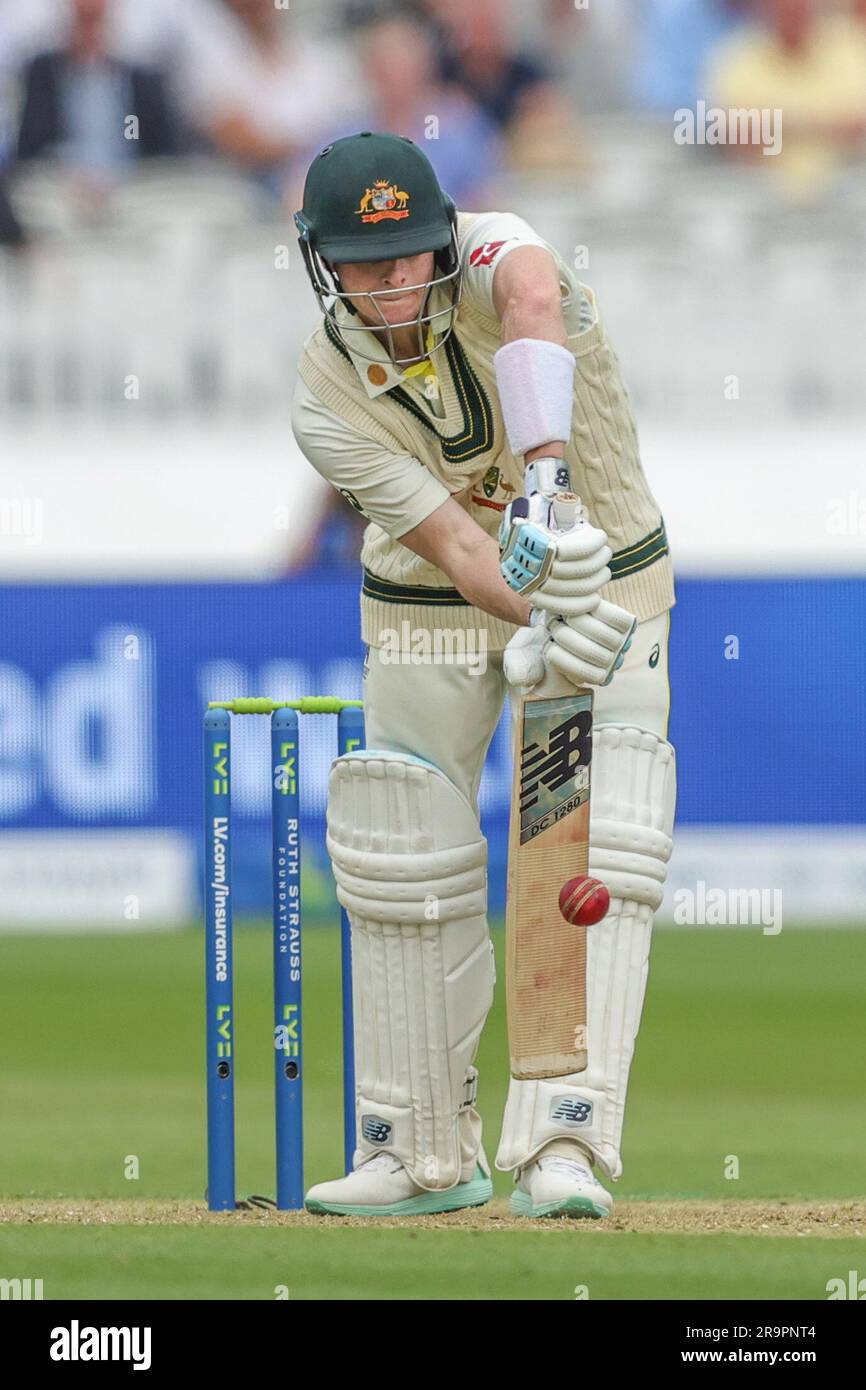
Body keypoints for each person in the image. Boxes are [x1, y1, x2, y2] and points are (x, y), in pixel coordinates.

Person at [291, 132, 675, 1219]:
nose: (391, 284)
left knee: (594, 842)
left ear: (444, 239)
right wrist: (534, 603)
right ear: (319, 261)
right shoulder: (323, 394)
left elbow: (535, 299)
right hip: (432, 604)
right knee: (397, 838)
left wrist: (551, 500)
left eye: (409, 256)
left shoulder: (502, 253)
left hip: (612, 583)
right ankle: (417, 1150)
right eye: (362, 266)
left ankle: (560, 1141)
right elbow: (460, 550)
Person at [16, 0, 179, 178]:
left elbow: (142, 141)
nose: (89, 31)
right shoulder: (45, 75)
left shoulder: (137, 83)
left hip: (132, 187)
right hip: (60, 186)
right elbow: (32, 145)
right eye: (83, 20)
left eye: (95, 20)